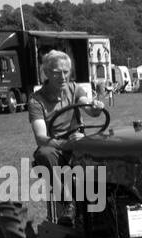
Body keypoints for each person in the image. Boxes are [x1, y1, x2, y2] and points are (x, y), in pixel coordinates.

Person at [28, 51, 94, 221]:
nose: (63, 77)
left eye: (66, 72)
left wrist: (96, 108)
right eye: (57, 72)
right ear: (47, 73)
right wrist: (65, 145)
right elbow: (41, 137)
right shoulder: (37, 101)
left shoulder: (75, 89)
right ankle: (67, 204)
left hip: (78, 142)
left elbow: (87, 107)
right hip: (56, 148)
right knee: (45, 153)